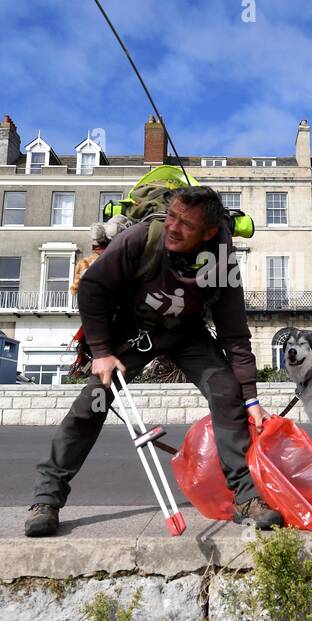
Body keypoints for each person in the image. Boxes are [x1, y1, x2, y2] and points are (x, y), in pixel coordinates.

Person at [25, 186, 283, 536]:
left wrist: (250, 397)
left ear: (208, 233)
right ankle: (47, 498)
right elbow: (92, 288)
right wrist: (101, 352)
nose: (173, 227)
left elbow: (234, 335)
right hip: (133, 331)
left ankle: (245, 498)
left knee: (226, 391)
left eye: (185, 223)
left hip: (186, 333)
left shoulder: (222, 263)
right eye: (171, 216)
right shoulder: (142, 238)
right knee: (92, 404)